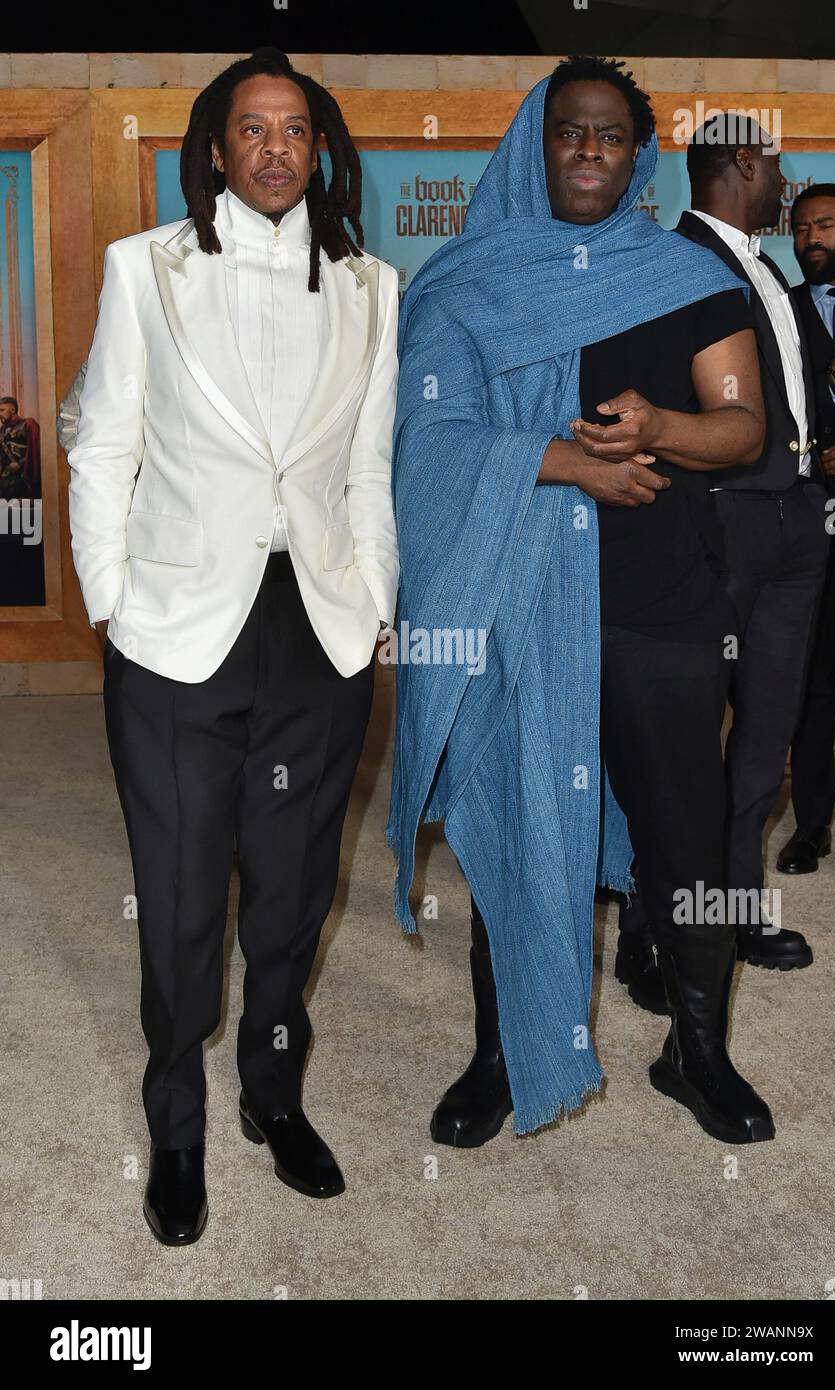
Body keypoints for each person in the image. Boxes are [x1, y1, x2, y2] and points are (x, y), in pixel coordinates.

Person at [388, 56, 774, 1151]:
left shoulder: (681, 278)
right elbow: (425, 444)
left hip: (659, 609)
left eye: (611, 137)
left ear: (638, 155)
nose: (590, 153)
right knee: (513, 824)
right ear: (534, 141)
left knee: (685, 847)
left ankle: (694, 1049)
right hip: (514, 604)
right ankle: (502, 1052)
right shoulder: (467, 280)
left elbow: (741, 430)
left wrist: (655, 430)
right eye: (571, 133)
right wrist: (561, 461)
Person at [64, 47, 399, 1244]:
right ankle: (176, 1125)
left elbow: (367, 465)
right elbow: (101, 444)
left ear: (318, 148)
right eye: (250, 129)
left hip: (316, 628)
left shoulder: (369, 286)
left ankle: (273, 1093)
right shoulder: (141, 269)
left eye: (293, 129)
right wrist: (108, 599)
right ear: (215, 147)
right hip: (173, 633)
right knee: (181, 899)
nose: (272, 148)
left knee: (293, 895)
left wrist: (372, 602)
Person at [669, 117, 830, 972]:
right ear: (741, 163)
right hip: (717, 519)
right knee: (685, 730)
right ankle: (670, 924)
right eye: (776, 162)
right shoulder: (675, 262)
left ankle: (735, 906)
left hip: (795, 516)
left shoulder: (767, 267)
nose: (784, 179)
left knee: (765, 728)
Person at [778, 184, 835, 873]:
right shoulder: (778, 311)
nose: (811, 238)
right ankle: (809, 827)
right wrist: (831, 380)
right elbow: (769, 407)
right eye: (802, 227)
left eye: (825, 225)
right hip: (807, 521)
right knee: (808, 678)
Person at [0, 396, 41, 499]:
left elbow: (35, 452)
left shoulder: (28, 424)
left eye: (2, 410)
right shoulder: (1, 431)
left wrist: (19, 464)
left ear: (12, 409)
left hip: (24, 481)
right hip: (5, 482)